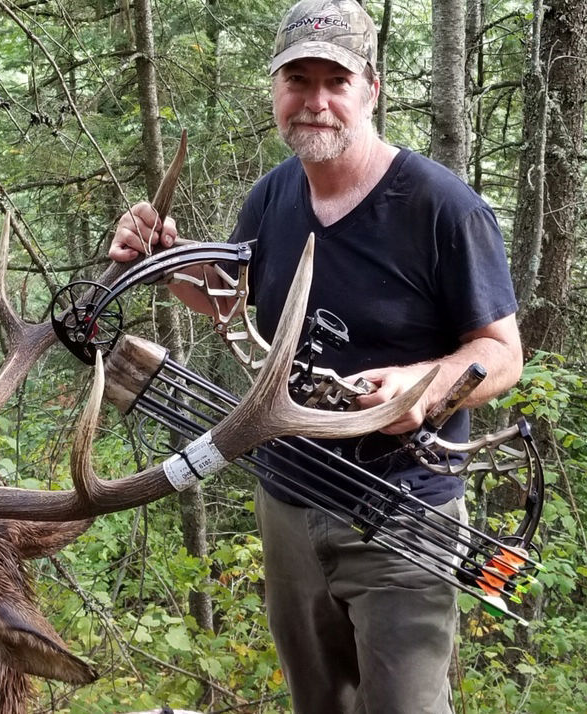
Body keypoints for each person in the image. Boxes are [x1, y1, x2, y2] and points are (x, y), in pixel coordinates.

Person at [107, 0, 524, 712]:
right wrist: (164, 260)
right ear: (274, 91)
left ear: (370, 89)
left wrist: (421, 387)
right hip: (288, 500)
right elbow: (232, 302)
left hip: (400, 514)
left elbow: (501, 353)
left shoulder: (439, 206)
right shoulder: (274, 195)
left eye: (335, 81)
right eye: (296, 80)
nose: (316, 102)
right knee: (318, 702)